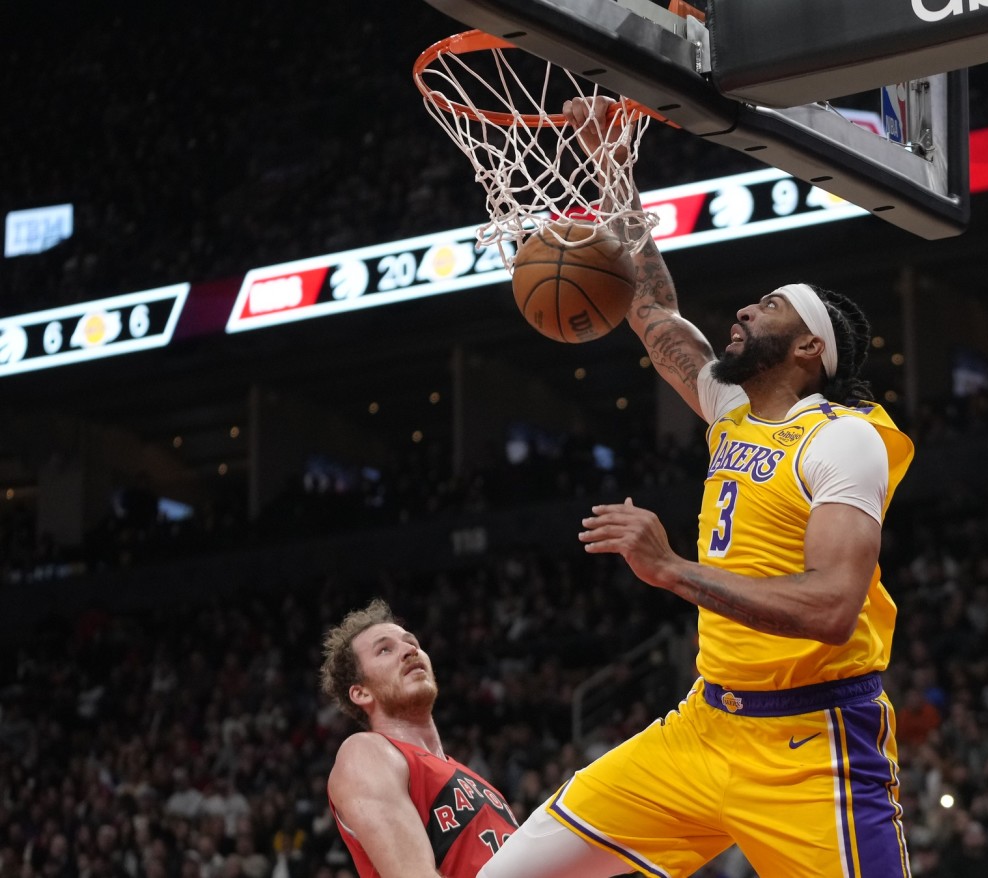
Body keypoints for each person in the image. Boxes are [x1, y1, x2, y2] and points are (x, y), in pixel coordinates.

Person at [479, 97, 916, 878]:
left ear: (811, 348)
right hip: (703, 728)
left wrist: (672, 568)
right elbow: (650, 309)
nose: (747, 307)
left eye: (771, 305)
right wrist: (612, 163)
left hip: (812, 750)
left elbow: (831, 607)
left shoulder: (842, 438)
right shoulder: (732, 409)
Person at [321, 599, 519, 877]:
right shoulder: (365, 752)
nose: (409, 650)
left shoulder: (473, 778)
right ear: (362, 693)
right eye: (385, 650)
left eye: (410, 642)